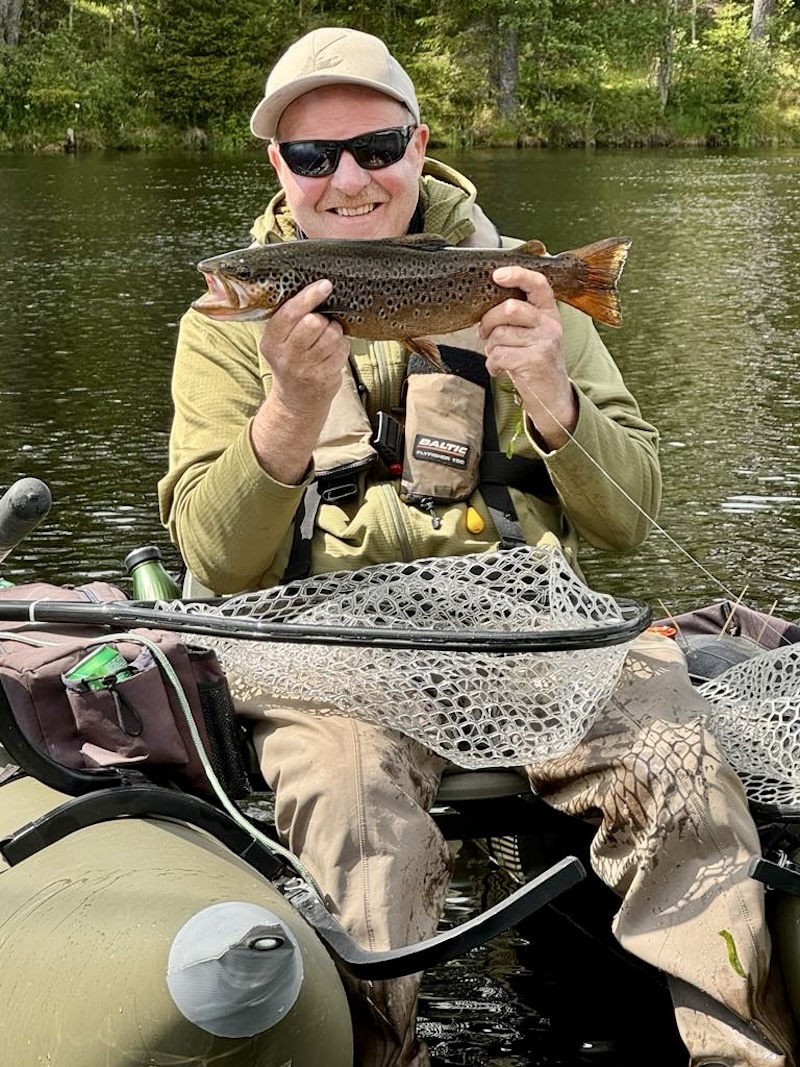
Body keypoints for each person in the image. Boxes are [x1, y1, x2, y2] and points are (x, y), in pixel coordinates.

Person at [158, 26, 797, 1067]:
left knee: (680, 769)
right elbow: (218, 562)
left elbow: (626, 520)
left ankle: (736, 1045)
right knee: (353, 815)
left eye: (374, 145)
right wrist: (288, 405)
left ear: (418, 144)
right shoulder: (229, 320)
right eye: (313, 156)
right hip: (327, 651)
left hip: (540, 631)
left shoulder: (513, 284)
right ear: (278, 164)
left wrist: (550, 392)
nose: (349, 178)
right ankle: (374, 1045)